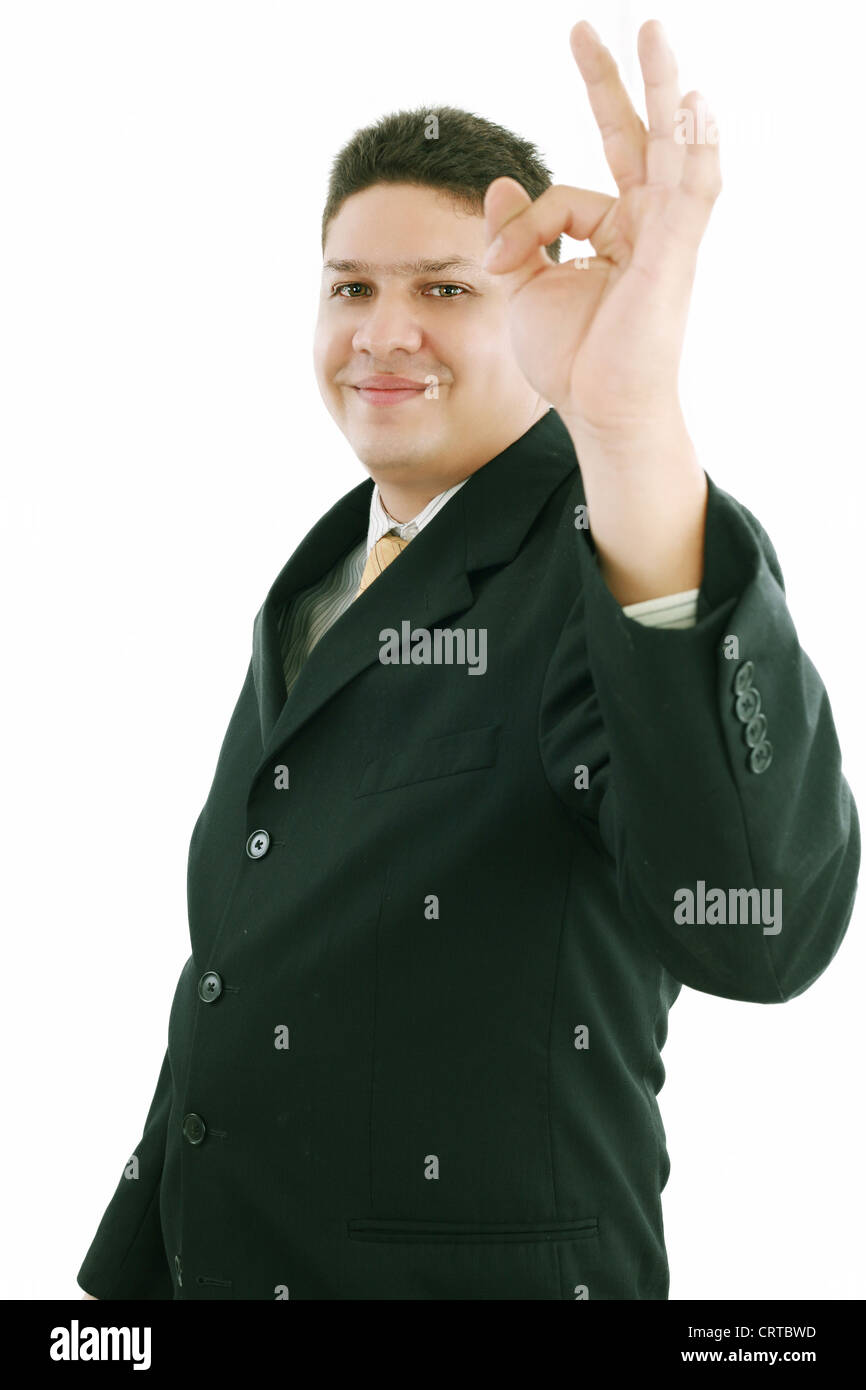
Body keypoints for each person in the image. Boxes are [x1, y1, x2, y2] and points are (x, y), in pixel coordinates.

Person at [78, 19, 859, 1300]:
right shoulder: (317, 582)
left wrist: (630, 427)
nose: (381, 332)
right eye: (349, 286)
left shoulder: (598, 553)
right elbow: (231, 977)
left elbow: (759, 929)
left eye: (443, 288)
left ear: (534, 311)